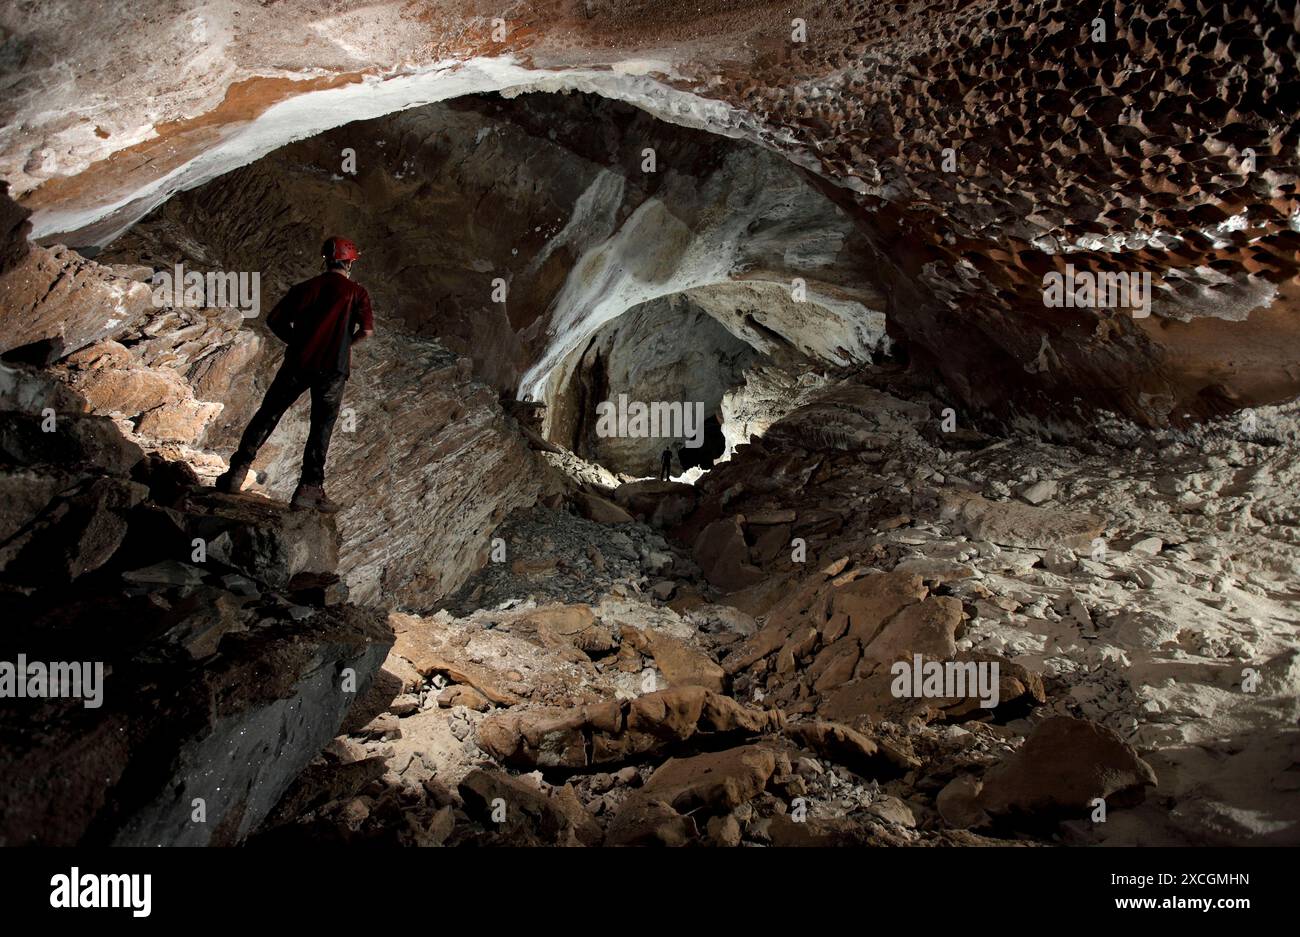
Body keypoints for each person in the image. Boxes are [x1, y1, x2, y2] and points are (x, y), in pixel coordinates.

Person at [213, 236, 374, 512]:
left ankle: (237, 472)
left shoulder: (305, 288)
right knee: (321, 426)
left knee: (269, 413)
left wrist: (297, 341)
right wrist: (345, 344)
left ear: (325, 260)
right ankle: (309, 489)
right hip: (333, 369)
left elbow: (274, 320)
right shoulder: (356, 292)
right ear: (349, 263)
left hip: (299, 362)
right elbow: (367, 331)